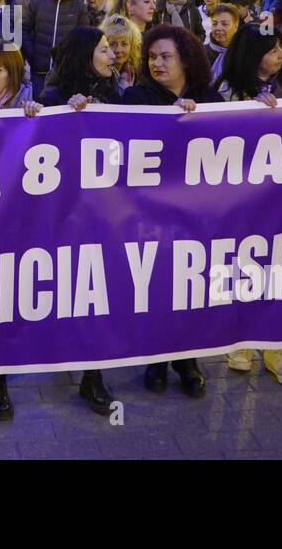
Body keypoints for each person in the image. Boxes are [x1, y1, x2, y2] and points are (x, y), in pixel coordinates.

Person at [122, 24, 220, 396]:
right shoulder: (136, 98)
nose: (157, 63)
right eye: (152, 57)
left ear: (186, 60)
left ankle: (188, 360)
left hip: (198, 215)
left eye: (166, 57)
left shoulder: (210, 97)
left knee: (192, 288)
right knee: (160, 286)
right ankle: (157, 358)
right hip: (152, 213)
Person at [214, 24, 282, 386]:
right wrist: (248, 112)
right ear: (255, 55)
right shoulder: (226, 89)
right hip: (238, 198)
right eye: (274, 50)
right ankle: (238, 341)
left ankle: (277, 348)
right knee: (239, 267)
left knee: (280, 268)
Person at [37, 26, 121, 414]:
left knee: (97, 296)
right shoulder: (54, 97)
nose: (113, 56)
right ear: (85, 54)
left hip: (106, 216)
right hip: (65, 219)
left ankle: (93, 377)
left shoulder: (116, 92)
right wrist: (65, 119)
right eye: (104, 50)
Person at [22, 0, 89, 80]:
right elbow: (24, 29)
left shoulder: (79, 6)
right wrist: (32, 53)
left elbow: (84, 38)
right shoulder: (37, 1)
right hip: (39, 69)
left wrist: (72, 60)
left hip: (65, 72)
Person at [99, 14, 141, 94]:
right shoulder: (99, 77)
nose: (118, 50)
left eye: (124, 44)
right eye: (112, 44)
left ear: (132, 46)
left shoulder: (138, 75)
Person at [203, 2, 241, 75]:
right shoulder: (201, 53)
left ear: (236, 26)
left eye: (224, 24)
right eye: (215, 23)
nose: (218, 28)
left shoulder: (241, 54)